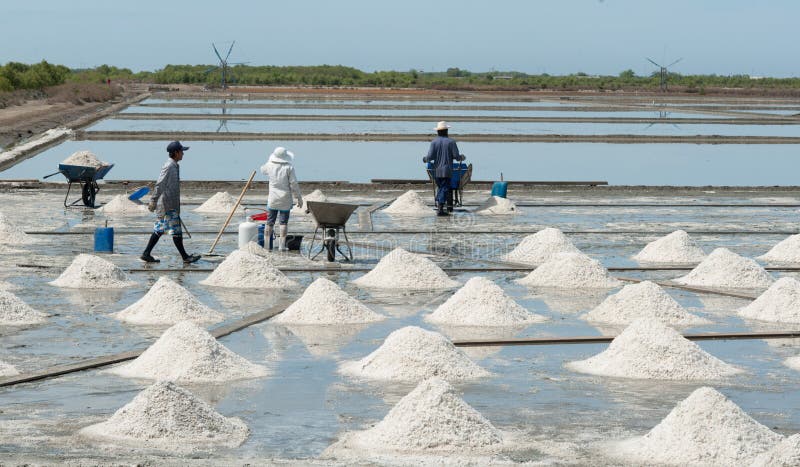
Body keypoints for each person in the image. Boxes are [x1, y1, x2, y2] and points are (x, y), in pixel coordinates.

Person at [141, 141, 200, 263]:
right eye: (181, 151)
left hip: (170, 204)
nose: (183, 153)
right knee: (176, 232)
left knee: (160, 230)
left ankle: (146, 253)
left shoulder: (174, 165)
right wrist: (153, 200)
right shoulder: (169, 166)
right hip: (167, 206)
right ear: (176, 153)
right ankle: (185, 257)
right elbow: (160, 184)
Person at [260, 146, 303, 251]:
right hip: (285, 199)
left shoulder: (269, 165)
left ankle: (266, 246)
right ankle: (282, 246)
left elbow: (262, 170)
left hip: (273, 198)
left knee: (270, 222)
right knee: (283, 222)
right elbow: (294, 184)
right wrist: (299, 198)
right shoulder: (289, 167)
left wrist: (270, 161)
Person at [423, 121, 465, 216]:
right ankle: (440, 209)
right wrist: (462, 157)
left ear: (437, 132)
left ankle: (440, 205)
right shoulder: (451, 142)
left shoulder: (434, 142)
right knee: (445, 188)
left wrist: (425, 159)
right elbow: (456, 156)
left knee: (441, 188)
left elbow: (430, 157)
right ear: (446, 131)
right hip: (447, 170)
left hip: (436, 171)